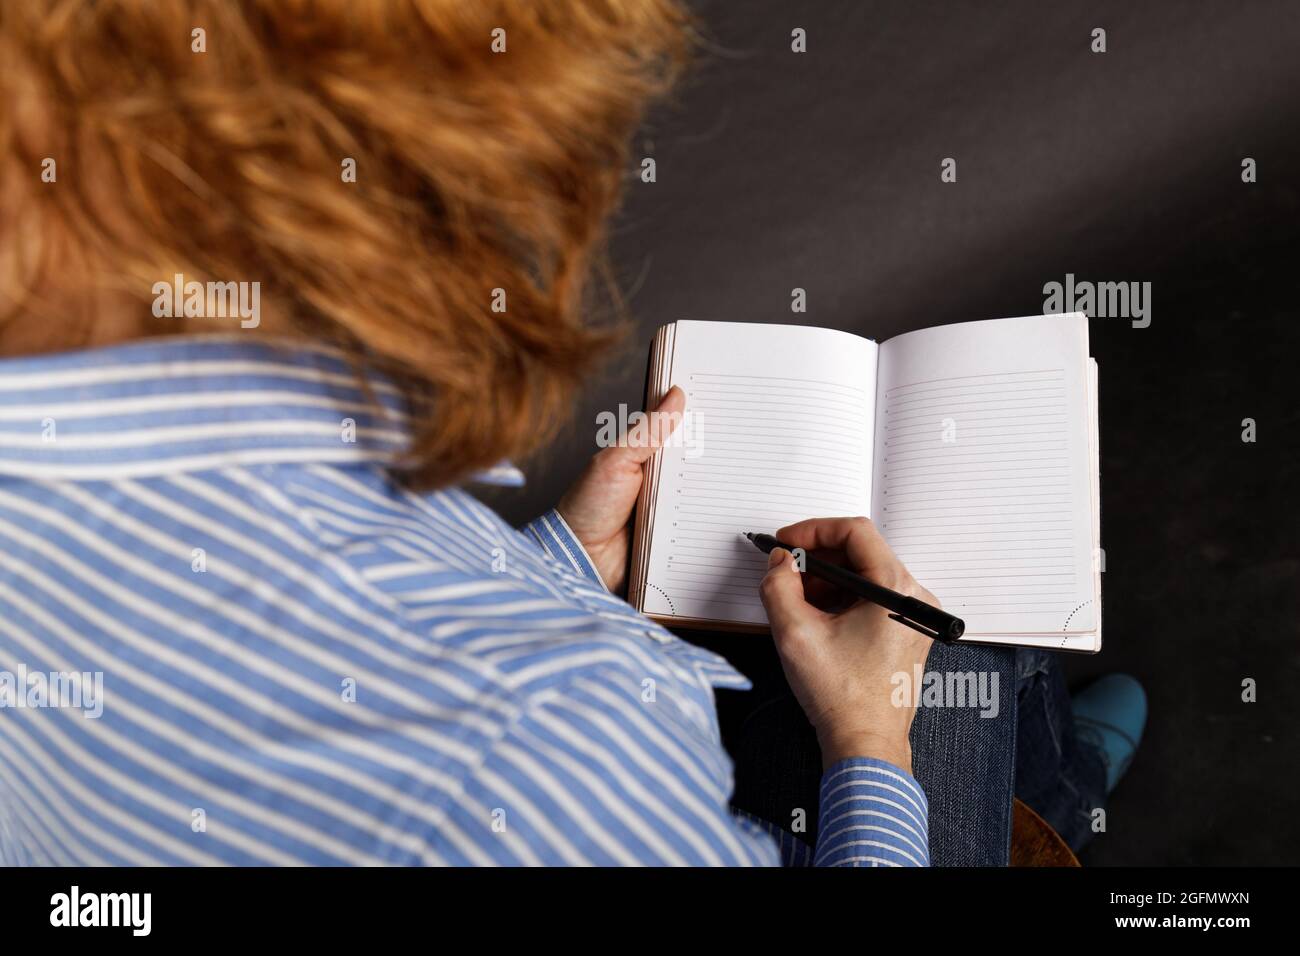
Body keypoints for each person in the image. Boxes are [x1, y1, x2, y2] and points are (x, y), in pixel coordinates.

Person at [0, 0, 1142, 866]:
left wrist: (550, 569)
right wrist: (870, 744)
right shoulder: (534, 744)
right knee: (962, 635)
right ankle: (1046, 801)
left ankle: (1042, 781)